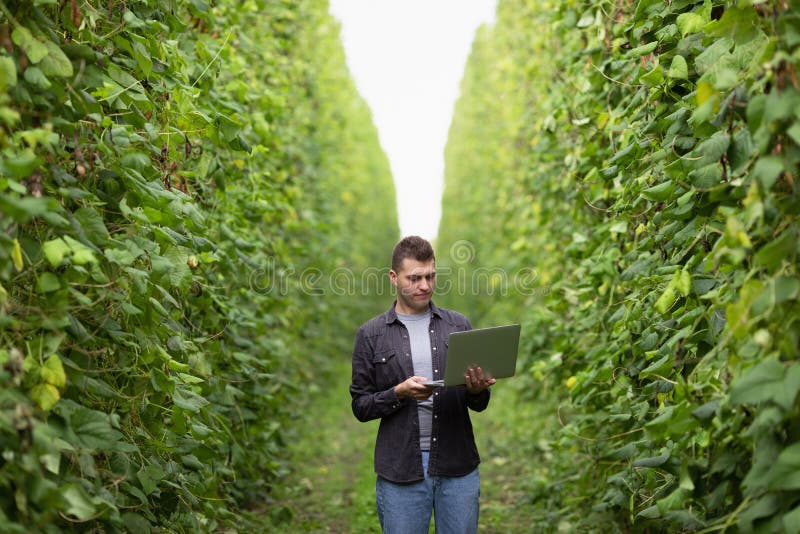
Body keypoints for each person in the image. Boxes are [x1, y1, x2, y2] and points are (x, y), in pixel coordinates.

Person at [350, 235, 495, 533]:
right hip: (401, 468)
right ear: (393, 277)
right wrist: (398, 393)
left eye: (430, 276)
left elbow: (478, 403)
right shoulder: (371, 335)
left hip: (458, 464)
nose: (425, 286)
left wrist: (477, 390)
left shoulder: (458, 326)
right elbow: (361, 406)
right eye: (414, 278)